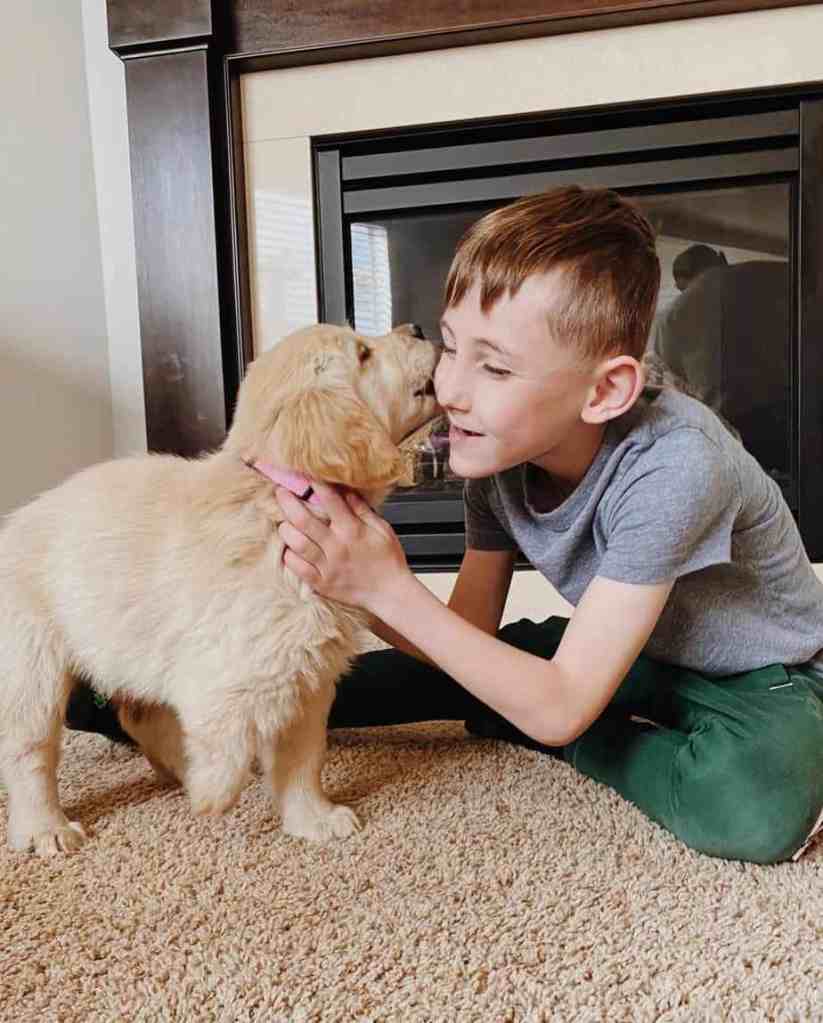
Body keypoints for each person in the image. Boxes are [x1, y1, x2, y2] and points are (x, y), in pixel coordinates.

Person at [67, 186, 823, 864]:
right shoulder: (493, 456)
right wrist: (348, 580)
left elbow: (549, 698)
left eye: (493, 368)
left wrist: (403, 600)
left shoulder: (676, 466)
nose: (449, 386)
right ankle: (116, 698)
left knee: (754, 804)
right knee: (327, 675)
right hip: (624, 652)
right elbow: (457, 630)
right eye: (452, 346)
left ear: (604, 391)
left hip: (762, 679)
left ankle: (550, 722)